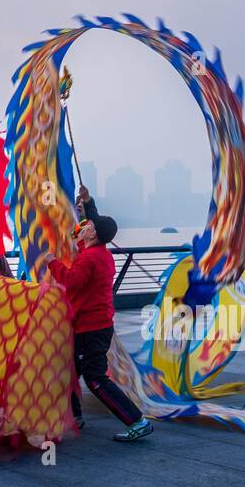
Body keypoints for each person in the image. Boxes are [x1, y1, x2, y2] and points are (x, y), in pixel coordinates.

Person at [43, 185, 153, 442]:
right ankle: (74, 415)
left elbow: (71, 280)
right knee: (68, 372)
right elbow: (95, 224)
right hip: (95, 326)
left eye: (89, 227)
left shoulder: (90, 258)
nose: (85, 226)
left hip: (91, 329)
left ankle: (137, 421)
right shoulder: (99, 253)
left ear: (93, 235)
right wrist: (87, 203)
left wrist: (52, 262)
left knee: (94, 379)